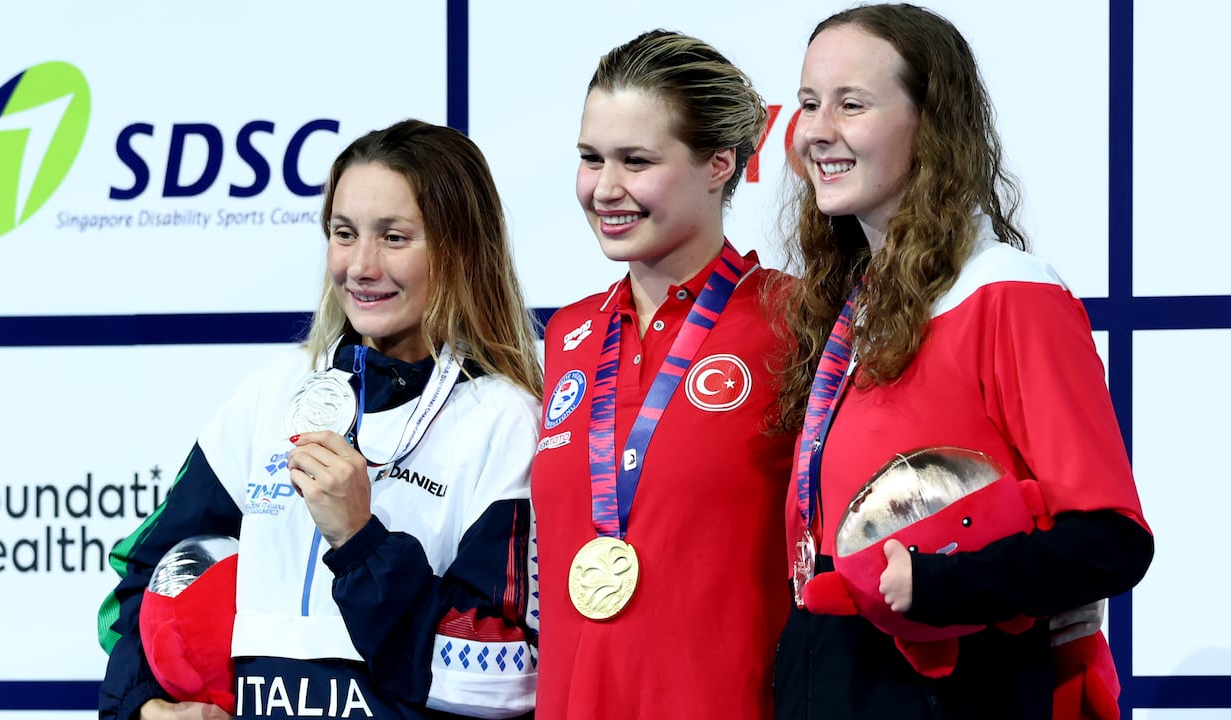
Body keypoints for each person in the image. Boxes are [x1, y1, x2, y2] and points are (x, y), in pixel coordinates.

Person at [772, 4, 1153, 719]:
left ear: (931, 125)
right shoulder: (853, 307)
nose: (817, 129)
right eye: (809, 103)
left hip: (958, 693)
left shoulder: (1008, 294)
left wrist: (940, 585)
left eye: (852, 104)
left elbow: (1109, 541)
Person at [96, 119, 543, 720]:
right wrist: (144, 707)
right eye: (344, 233)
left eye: (394, 237)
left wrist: (359, 543)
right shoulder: (272, 393)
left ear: (459, 250)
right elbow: (148, 579)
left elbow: (505, 677)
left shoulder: (503, 419)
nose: (360, 266)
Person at [530, 30, 797, 719]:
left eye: (636, 160)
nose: (604, 188)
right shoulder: (567, 335)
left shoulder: (796, 321)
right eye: (591, 158)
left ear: (719, 164)